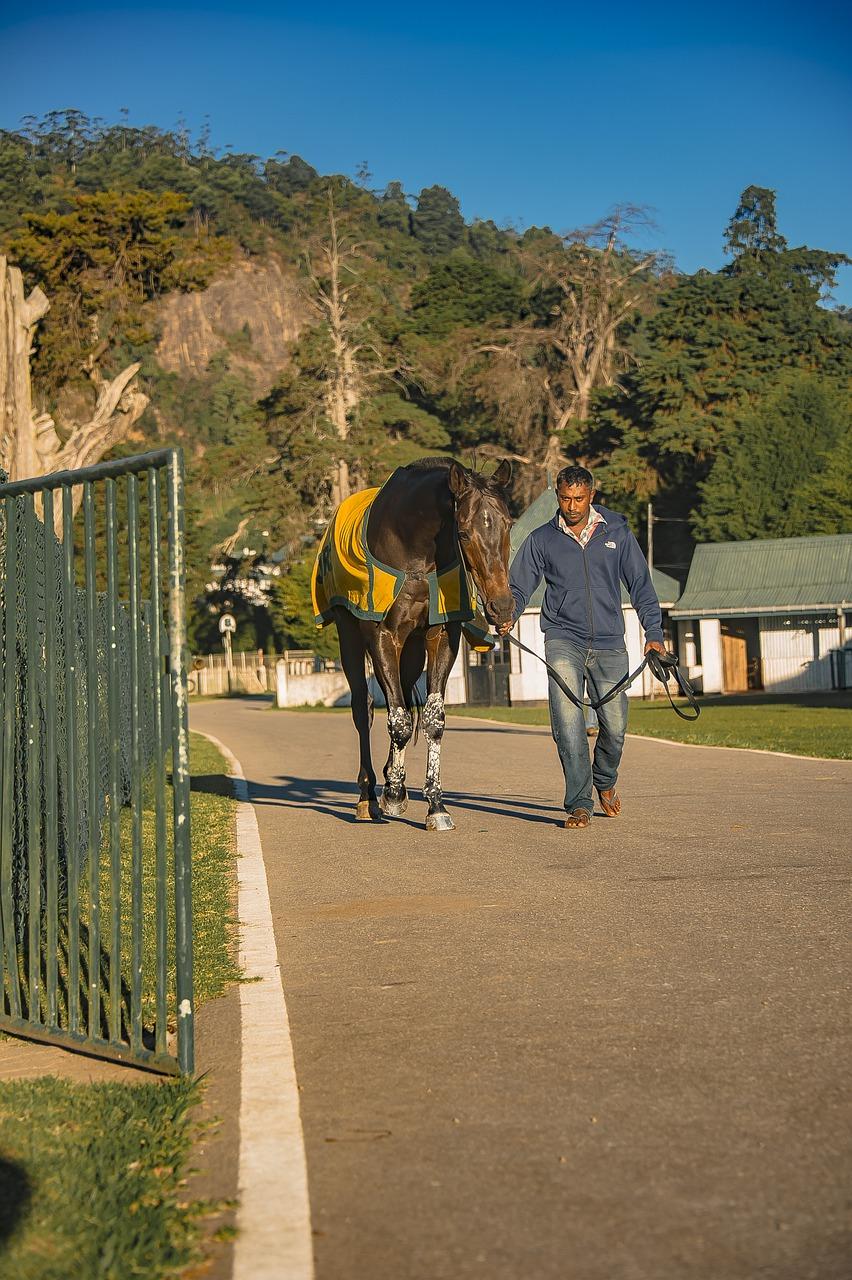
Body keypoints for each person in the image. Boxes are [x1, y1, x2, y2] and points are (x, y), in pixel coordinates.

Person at [498, 466, 665, 829]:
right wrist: (507, 614)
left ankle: (603, 779)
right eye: (564, 498)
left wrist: (654, 632)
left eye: (578, 498)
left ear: (592, 495)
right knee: (568, 722)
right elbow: (519, 586)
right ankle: (579, 803)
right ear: (557, 495)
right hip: (563, 638)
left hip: (609, 641)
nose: (571, 506)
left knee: (616, 727)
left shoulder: (617, 533)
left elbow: (641, 586)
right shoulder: (542, 539)